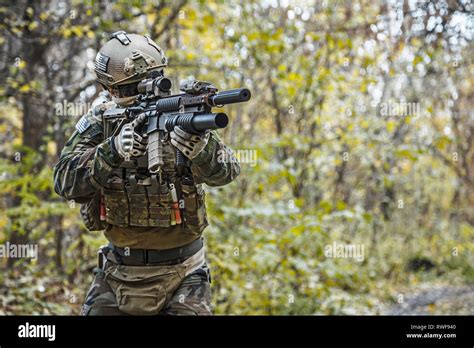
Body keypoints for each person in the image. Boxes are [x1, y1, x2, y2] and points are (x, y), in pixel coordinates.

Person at [53, 31, 240, 315]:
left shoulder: (182, 116)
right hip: (117, 273)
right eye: (130, 89)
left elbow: (227, 171)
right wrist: (111, 150)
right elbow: (64, 181)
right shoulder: (102, 121)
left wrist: (201, 150)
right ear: (112, 91)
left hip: (183, 273)